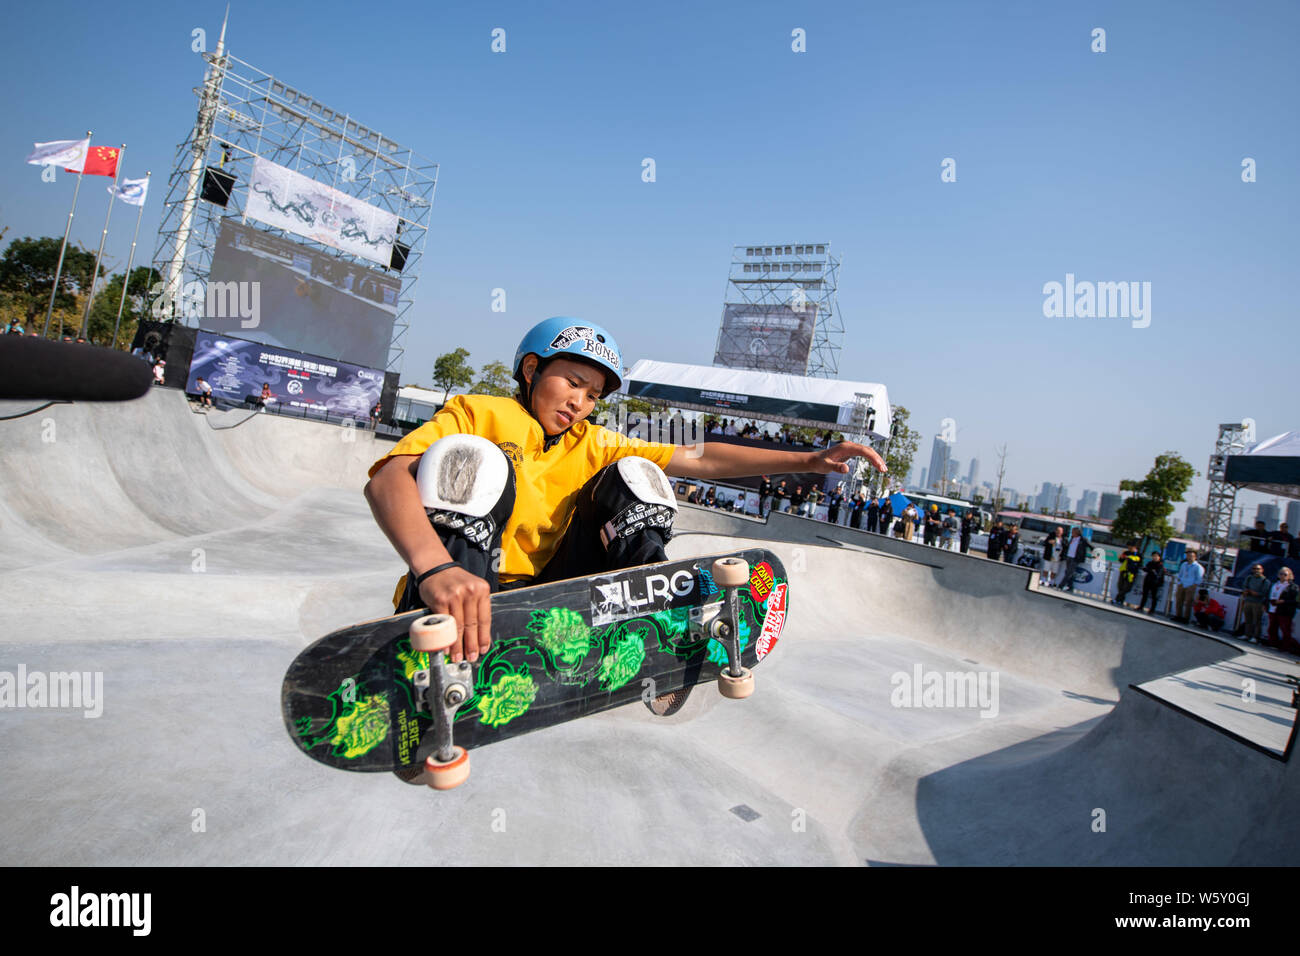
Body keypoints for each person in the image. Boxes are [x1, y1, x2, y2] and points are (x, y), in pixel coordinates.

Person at [364, 317, 886, 664]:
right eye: (570, 382)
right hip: (462, 580)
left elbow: (699, 456)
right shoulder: (480, 412)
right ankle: (436, 644)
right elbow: (388, 478)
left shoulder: (594, 442)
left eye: (591, 396)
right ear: (531, 370)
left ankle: (656, 620)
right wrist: (437, 569)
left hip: (552, 587)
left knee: (638, 474)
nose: (579, 403)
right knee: (472, 459)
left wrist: (809, 462)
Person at [1265, 567, 1299, 652]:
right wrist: (1265, 604)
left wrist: (1284, 601)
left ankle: (1286, 647)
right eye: (1281, 574)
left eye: (1285, 574)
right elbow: (1268, 595)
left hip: (1284, 611)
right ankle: (1273, 644)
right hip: (1273, 609)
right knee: (1272, 628)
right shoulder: (1274, 584)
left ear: (1289, 576)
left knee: (1285, 629)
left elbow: (1295, 600)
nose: (1283, 576)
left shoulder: (1293, 587)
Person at [1239, 563, 1270, 640]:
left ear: (1262, 570)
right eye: (1254, 569)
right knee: (1248, 619)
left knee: (1257, 621)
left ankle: (1255, 637)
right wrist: (1246, 591)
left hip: (1258, 603)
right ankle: (1247, 635)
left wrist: (1253, 592)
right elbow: (1244, 587)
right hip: (1248, 601)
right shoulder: (1249, 578)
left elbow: (1263, 593)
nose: (1256, 570)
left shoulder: (1265, 581)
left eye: (1258, 569)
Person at [1173, 550, 1205, 623]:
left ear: (1195, 557)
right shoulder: (1184, 564)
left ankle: (1186, 618)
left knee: (1188, 602)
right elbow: (1180, 573)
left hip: (1190, 586)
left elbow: (1199, 578)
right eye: (1188, 556)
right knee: (1179, 601)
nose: (1189, 557)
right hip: (1182, 584)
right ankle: (1178, 615)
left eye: (1191, 556)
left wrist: (1193, 585)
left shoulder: (1198, 567)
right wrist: (1180, 582)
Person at [1059, 527, 1090, 592]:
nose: (1071, 533)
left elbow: (1090, 546)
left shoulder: (1083, 540)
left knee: (1069, 573)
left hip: (1076, 558)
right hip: (1069, 557)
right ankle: (1070, 586)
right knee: (1068, 572)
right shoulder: (1072, 538)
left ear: (1077, 532)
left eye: (1073, 532)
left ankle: (1061, 586)